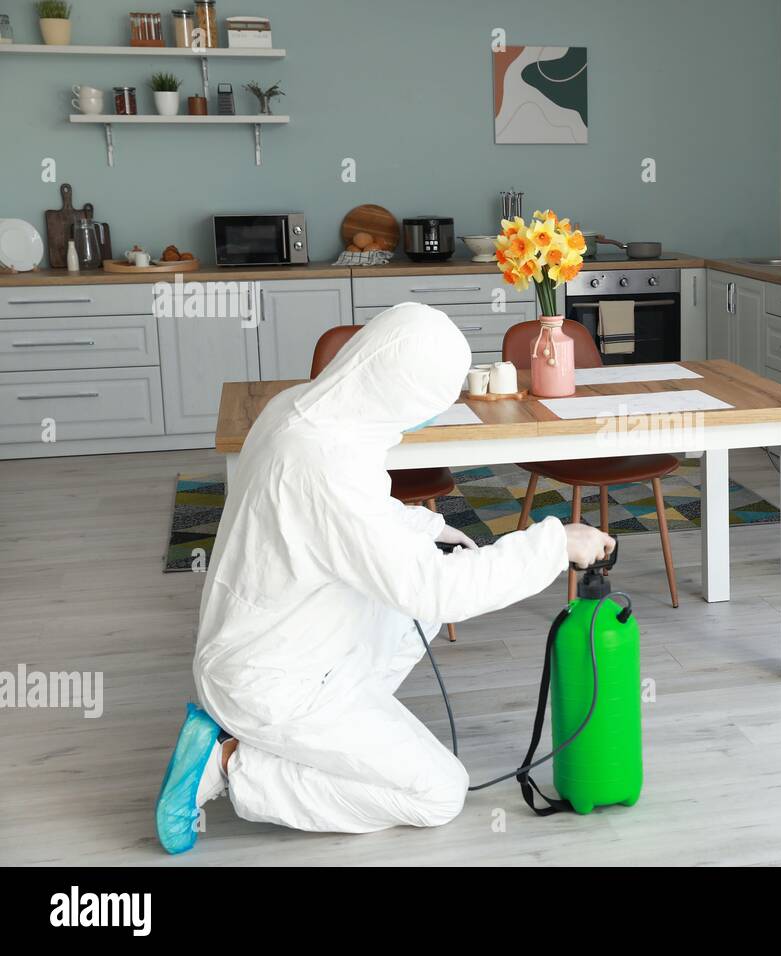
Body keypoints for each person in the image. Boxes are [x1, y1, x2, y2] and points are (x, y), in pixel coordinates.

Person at [155, 303, 615, 853]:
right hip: (272, 684)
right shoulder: (323, 466)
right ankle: (232, 763)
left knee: (419, 600)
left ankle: (311, 737)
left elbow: (359, 516)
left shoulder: (298, 412)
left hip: (268, 642)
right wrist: (553, 543)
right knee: (439, 793)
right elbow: (437, 586)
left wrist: (429, 526)